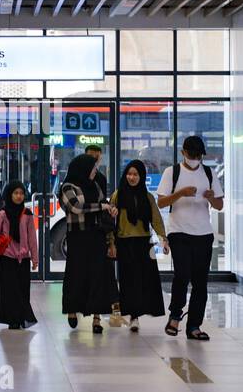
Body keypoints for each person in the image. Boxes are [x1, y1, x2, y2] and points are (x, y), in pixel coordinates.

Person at [157, 136, 223, 340]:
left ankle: (194, 325)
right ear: (183, 153)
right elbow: (161, 203)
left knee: (200, 282)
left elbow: (220, 205)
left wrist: (212, 197)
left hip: (203, 233)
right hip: (179, 232)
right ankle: (175, 315)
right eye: (192, 154)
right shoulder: (172, 172)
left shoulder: (209, 173)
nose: (195, 159)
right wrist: (181, 193)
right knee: (182, 275)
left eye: (198, 155)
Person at [58, 154, 118, 334]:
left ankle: (97, 318)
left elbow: (103, 203)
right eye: (93, 168)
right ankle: (72, 309)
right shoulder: (68, 187)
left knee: (98, 277)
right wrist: (101, 207)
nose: (95, 172)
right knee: (76, 275)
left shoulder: (95, 186)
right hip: (78, 237)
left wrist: (110, 209)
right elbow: (75, 207)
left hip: (97, 235)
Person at [110, 160, 168, 333]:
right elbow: (110, 221)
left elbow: (156, 219)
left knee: (146, 280)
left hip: (144, 243)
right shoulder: (118, 195)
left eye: (136, 174)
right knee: (128, 281)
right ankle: (133, 316)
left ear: (141, 176)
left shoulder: (147, 197)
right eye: (129, 174)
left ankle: (139, 313)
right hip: (124, 242)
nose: (132, 177)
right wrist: (111, 243)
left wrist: (163, 238)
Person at [0, 181, 39, 330]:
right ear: (9, 195)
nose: (19, 196)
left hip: (23, 258)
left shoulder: (27, 214)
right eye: (16, 193)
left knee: (22, 290)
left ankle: (21, 317)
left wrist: (35, 258)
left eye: (21, 193)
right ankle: (12, 319)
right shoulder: (3, 213)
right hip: (7, 257)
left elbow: (32, 239)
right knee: (9, 290)